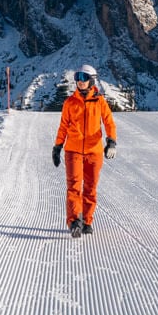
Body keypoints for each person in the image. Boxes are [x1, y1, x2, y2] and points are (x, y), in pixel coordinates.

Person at [52, 64, 117, 238]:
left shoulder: (100, 101)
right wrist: (57, 146)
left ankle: (87, 221)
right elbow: (63, 126)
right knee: (74, 186)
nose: (80, 81)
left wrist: (111, 142)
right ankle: (74, 221)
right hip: (73, 151)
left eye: (84, 78)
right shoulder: (70, 102)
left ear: (92, 80)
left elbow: (109, 122)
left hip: (94, 152)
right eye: (77, 77)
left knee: (90, 187)